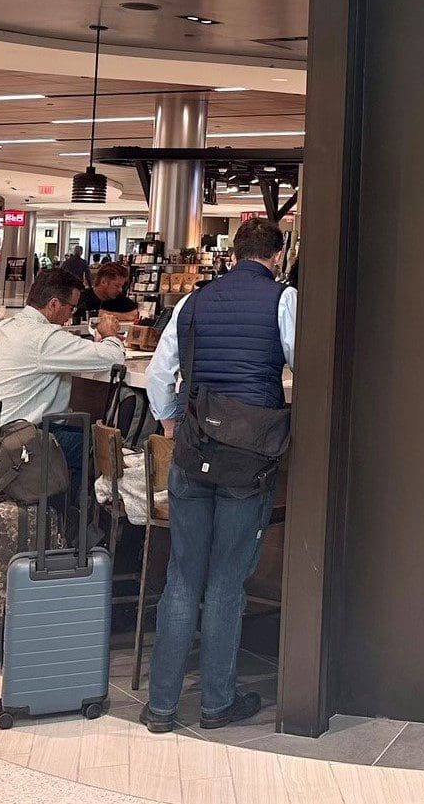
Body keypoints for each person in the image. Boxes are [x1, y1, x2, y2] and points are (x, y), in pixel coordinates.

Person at [139, 218, 296, 734]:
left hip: (193, 451)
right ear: (277, 254)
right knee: (227, 581)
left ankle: (161, 707)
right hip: (247, 457)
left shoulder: (193, 301)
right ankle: (216, 703)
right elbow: (305, 364)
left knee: (182, 577)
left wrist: (171, 421)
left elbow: (159, 375)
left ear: (232, 254)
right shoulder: (283, 300)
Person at [0, 268, 124, 484]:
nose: (71, 315)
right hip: (23, 442)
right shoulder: (43, 337)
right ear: (53, 304)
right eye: (71, 307)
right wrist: (110, 335)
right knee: (107, 448)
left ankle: (67, 500)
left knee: (81, 434)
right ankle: (80, 503)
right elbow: (113, 358)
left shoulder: (8, 326)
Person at [75, 261, 140, 325]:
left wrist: (103, 314)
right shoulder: (82, 298)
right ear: (103, 282)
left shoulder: (119, 298)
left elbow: (134, 315)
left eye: (121, 286)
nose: (120, 290)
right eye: (117, 286)